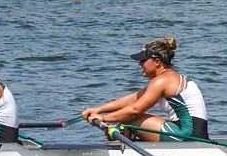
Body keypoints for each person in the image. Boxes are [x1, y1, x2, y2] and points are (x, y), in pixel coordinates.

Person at [81, 38, 209, 142]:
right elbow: (133, 99)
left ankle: (122, 153)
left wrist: (103, 119)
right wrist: (98, 109)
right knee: (125, 121)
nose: (140, 64)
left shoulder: (162, 81)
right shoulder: (171, 77)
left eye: (143, 60)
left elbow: (134, 110)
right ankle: (123, 146)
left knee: (130, 118)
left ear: (157, 62)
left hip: (187, 135)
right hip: (195, 133)